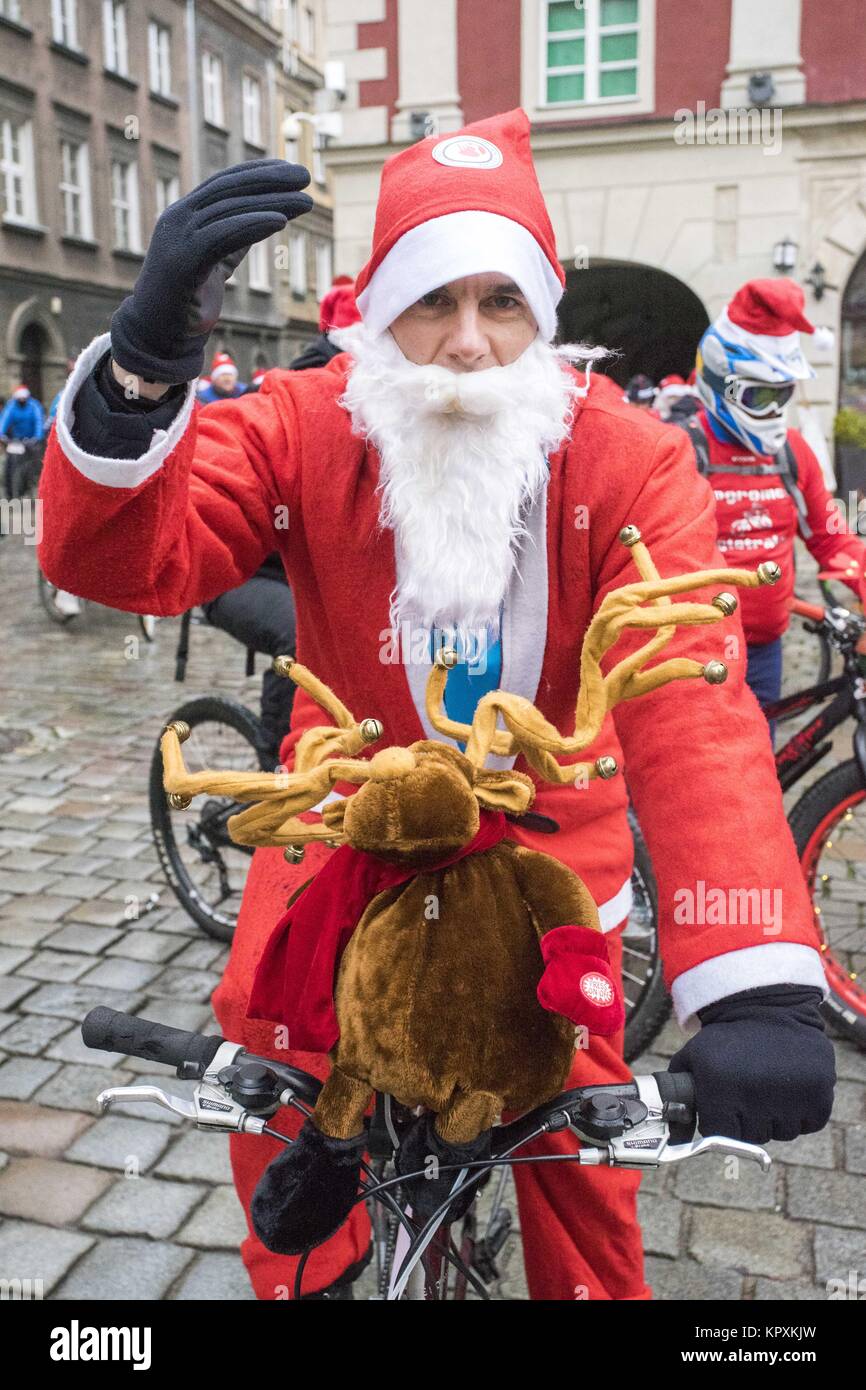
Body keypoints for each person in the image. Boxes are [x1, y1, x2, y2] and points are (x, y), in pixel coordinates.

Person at [37, 115, 834, 1302]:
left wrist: (756, 975)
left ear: (540, 316)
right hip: (341, 817)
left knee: (578, 1130)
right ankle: (310, 1277)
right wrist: (141, 375)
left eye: (499, 303)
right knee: (272, 1050)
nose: (466, 345)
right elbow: (123, 563)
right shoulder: (306, 421)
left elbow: (688, 691)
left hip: (547, 837)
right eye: (431, 302)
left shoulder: (627, 459)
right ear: (377, 317)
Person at [687, 278, 866, 716]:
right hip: (692, 652)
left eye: (781, 394)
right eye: (759, 395)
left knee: (762, 763)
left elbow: (832, 538)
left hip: (765, 651)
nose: (772, 411)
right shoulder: (682, 452)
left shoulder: (791, 453)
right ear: (721, 384)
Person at [0, 384, 44, 500]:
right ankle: (10, 491)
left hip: (31, 440)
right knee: (11, 462)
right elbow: (4, 420)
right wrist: (2, 435)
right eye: (19, 400)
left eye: (24, 399)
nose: (22, 401)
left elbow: (38, 421)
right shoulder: (11, 406)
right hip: (16, 440)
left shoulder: (34, 405)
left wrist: (37, 437)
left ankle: (32, 482)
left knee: (33, 463)